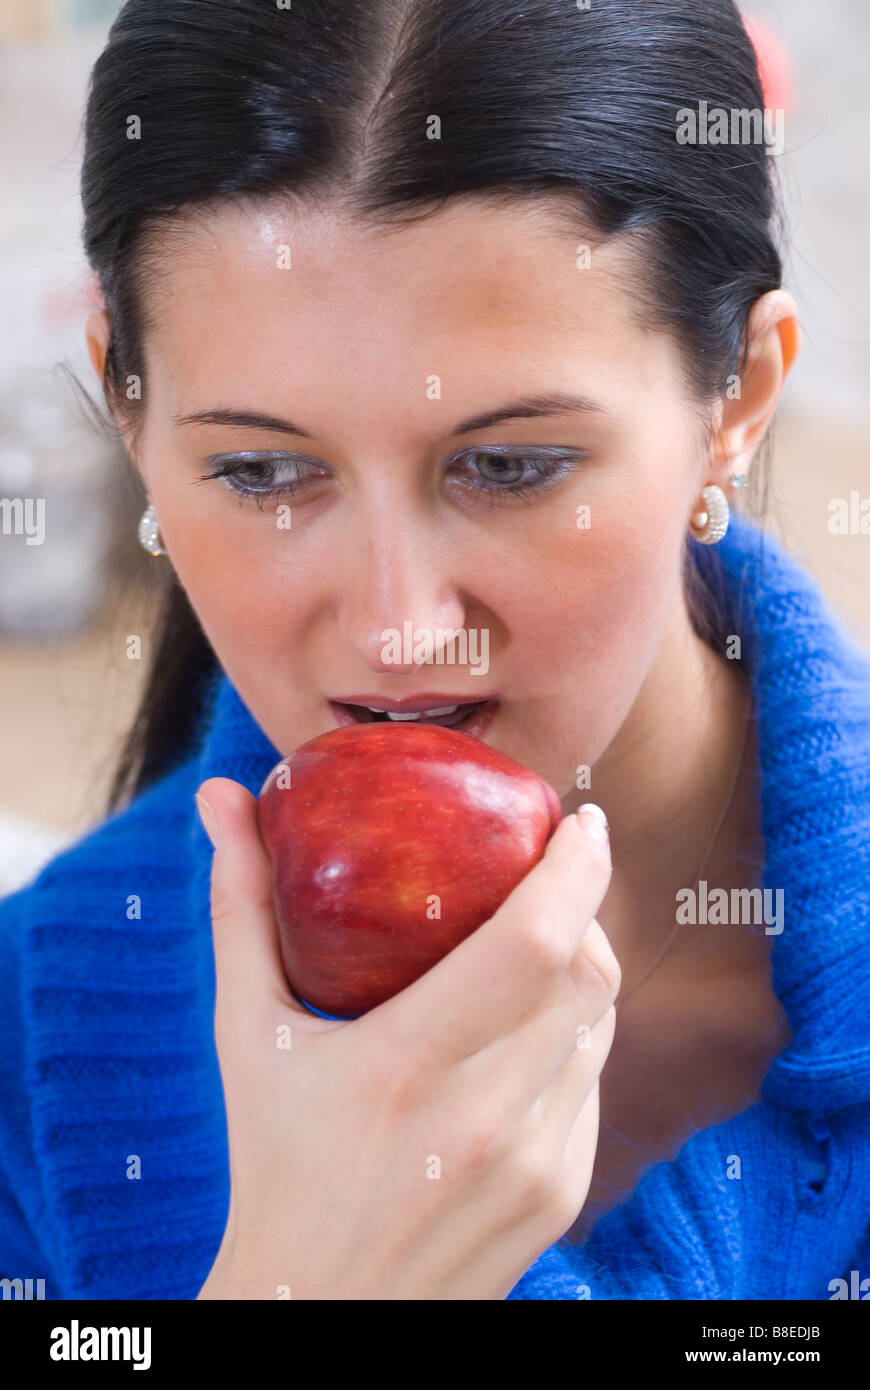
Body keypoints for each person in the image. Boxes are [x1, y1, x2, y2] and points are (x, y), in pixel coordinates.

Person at [1, 0, 868, 1301]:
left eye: (510, 464)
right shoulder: (33, 1044)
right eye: (260, 468)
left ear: (735, 399)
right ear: (129, 412)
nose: (398, 624)